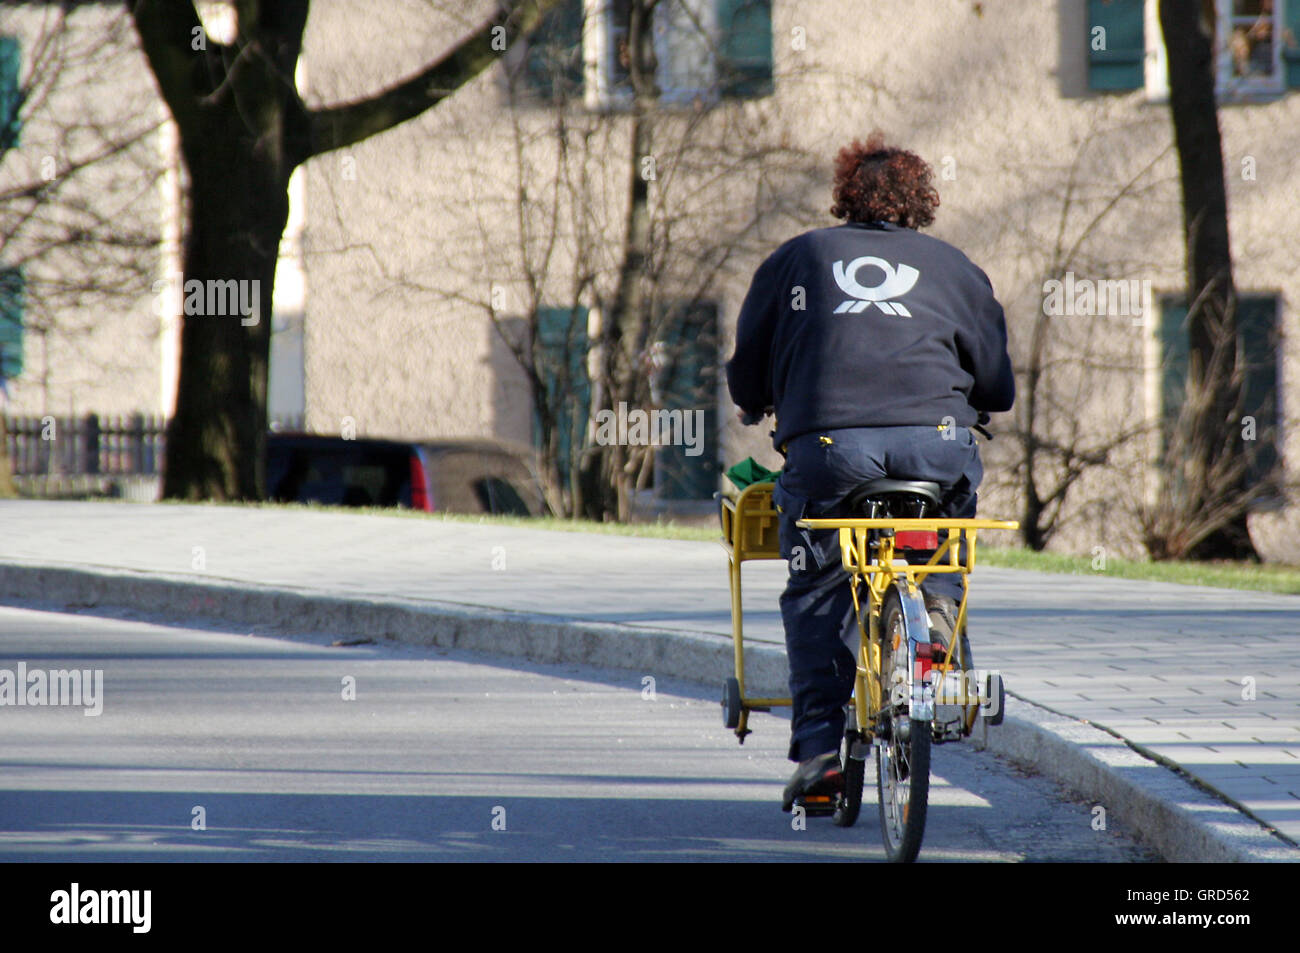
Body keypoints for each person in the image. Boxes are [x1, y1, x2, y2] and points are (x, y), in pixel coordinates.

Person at [724, 133, 1015, 811]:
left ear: (845, 196)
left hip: (830, 451)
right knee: (944, 521)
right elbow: (995, 383)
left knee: (819, 581)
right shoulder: (954, 268)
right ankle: (937, 612)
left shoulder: (799, 257)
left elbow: (749, 359)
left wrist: (754, 398)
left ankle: (822, 749)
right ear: (922, 201)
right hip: (933, 447)